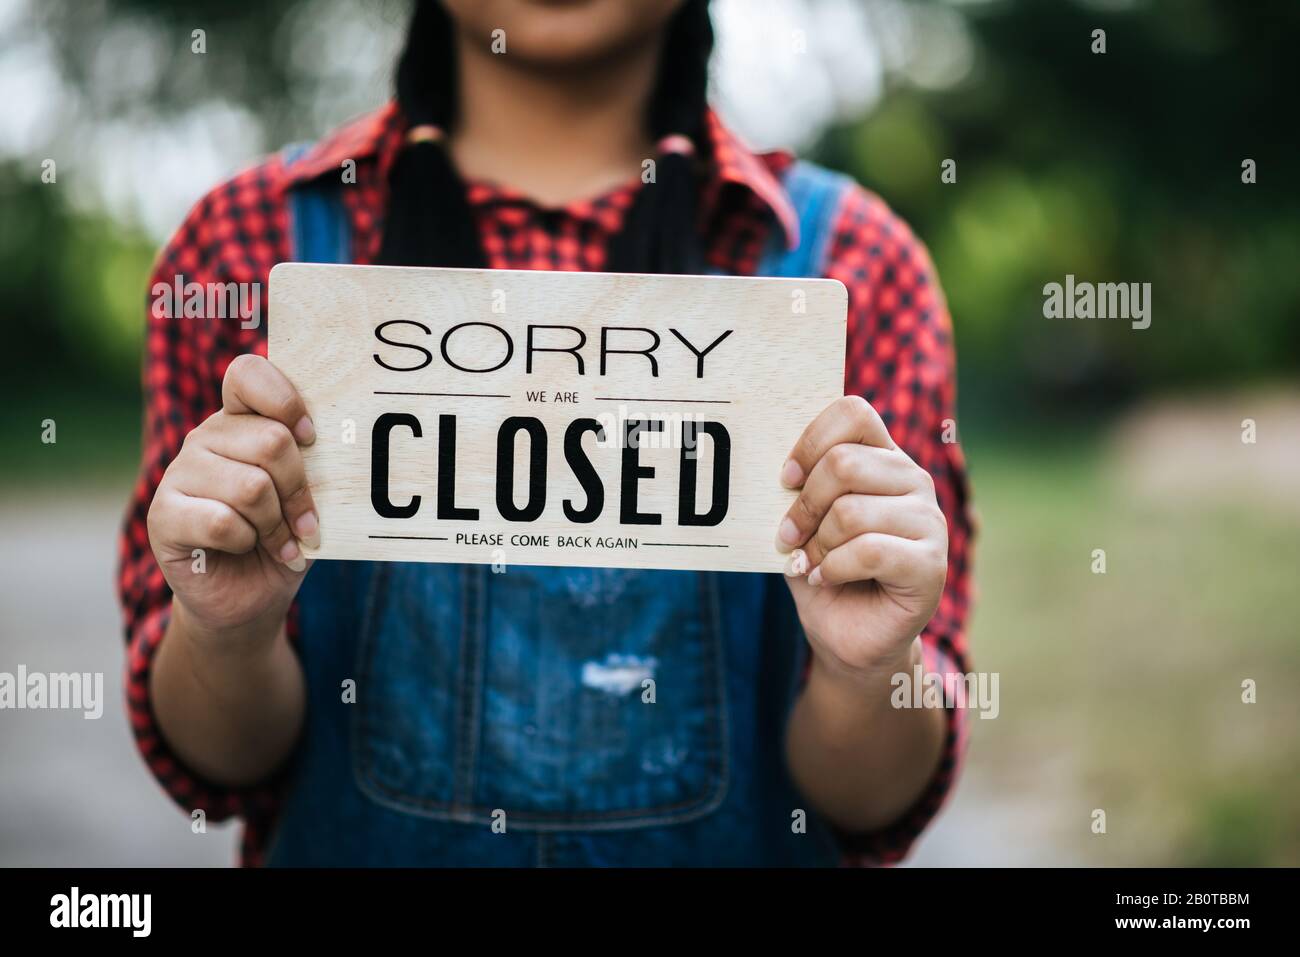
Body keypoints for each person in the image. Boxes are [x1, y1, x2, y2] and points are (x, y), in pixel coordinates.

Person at [118, 0, 974, 866]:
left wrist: (870, 670)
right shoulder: (237, 249)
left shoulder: (858, 266)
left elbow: (871, 801)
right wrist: (226, 628)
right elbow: (218, 767)